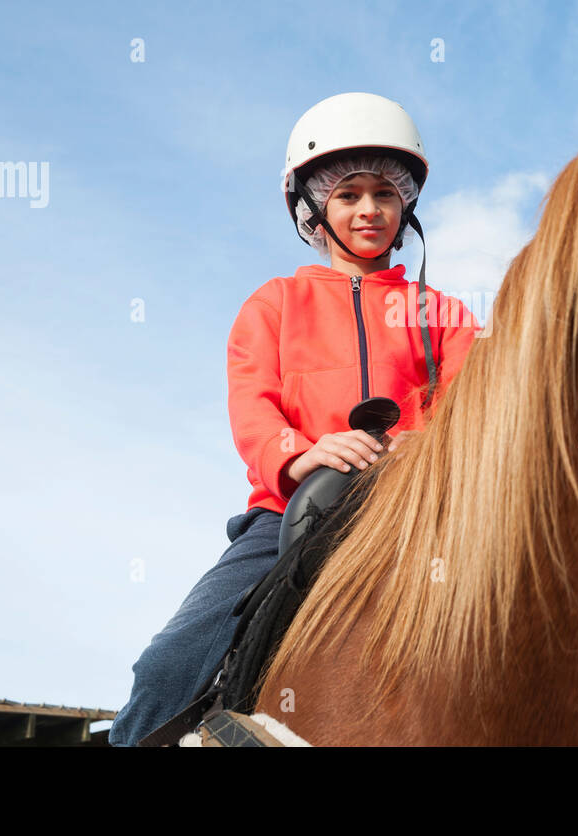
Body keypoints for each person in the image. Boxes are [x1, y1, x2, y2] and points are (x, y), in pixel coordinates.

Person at [108, 92, 481, 746]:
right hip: (287, 514)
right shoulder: (275, 304)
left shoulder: (446, 316)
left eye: (385, 194)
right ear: (314, 209)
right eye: (349, 195)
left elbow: (475, 410)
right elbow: (252, 402)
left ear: (406, 207)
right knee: (164, 664)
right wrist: (300, 453)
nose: (370, 209)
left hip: (419, 514)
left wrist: (415, 454)